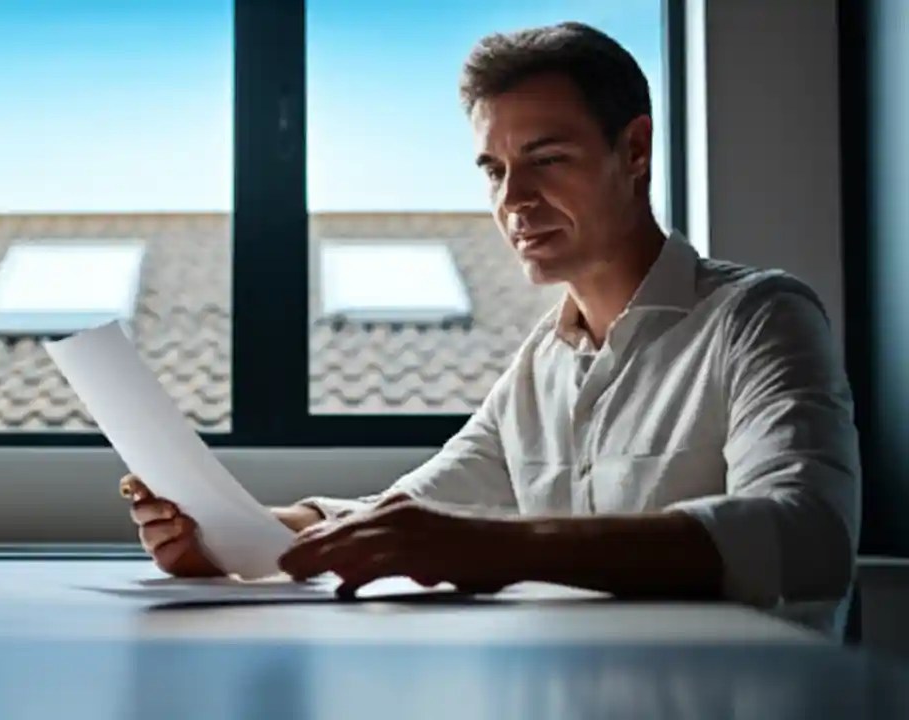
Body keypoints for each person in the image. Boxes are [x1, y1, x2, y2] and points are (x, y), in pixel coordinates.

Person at [123, 22, 859, 634]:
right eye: (494, 170)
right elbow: (408, 516)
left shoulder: (758, 318)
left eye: (547, 160)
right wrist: (233, 533)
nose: (515, 200)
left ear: (634, 152)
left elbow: (808, 535)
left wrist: (503, 546)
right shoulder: (540, 368)